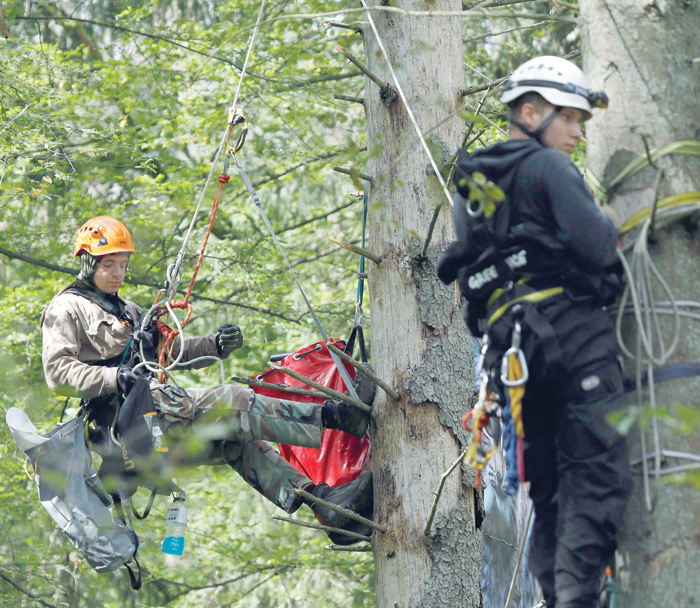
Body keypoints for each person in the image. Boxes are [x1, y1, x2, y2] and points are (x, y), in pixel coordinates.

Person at [41, 216, 373, 543]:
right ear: (86, 262)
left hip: (155, 425)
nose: (118, 273)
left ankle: (325, 506)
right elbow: (57, 373)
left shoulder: (128, 311)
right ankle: (338, 417)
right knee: (231, 402)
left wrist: (214, 344)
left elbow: (170, 350)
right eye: (109, 265)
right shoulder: (67, 307)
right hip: (128, 425)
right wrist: (115, 377)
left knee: (233, 442)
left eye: (123, 264)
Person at [438, 56, 632, 608]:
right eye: (569, 118)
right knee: (597, 479)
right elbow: (598, 247)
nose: (576, 132)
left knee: (548, 497)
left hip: (515, 361)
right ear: (530, 112)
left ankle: (559, 598)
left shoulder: (470, 193)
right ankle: (576, 600)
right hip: (574, 341)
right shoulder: (548, 169)